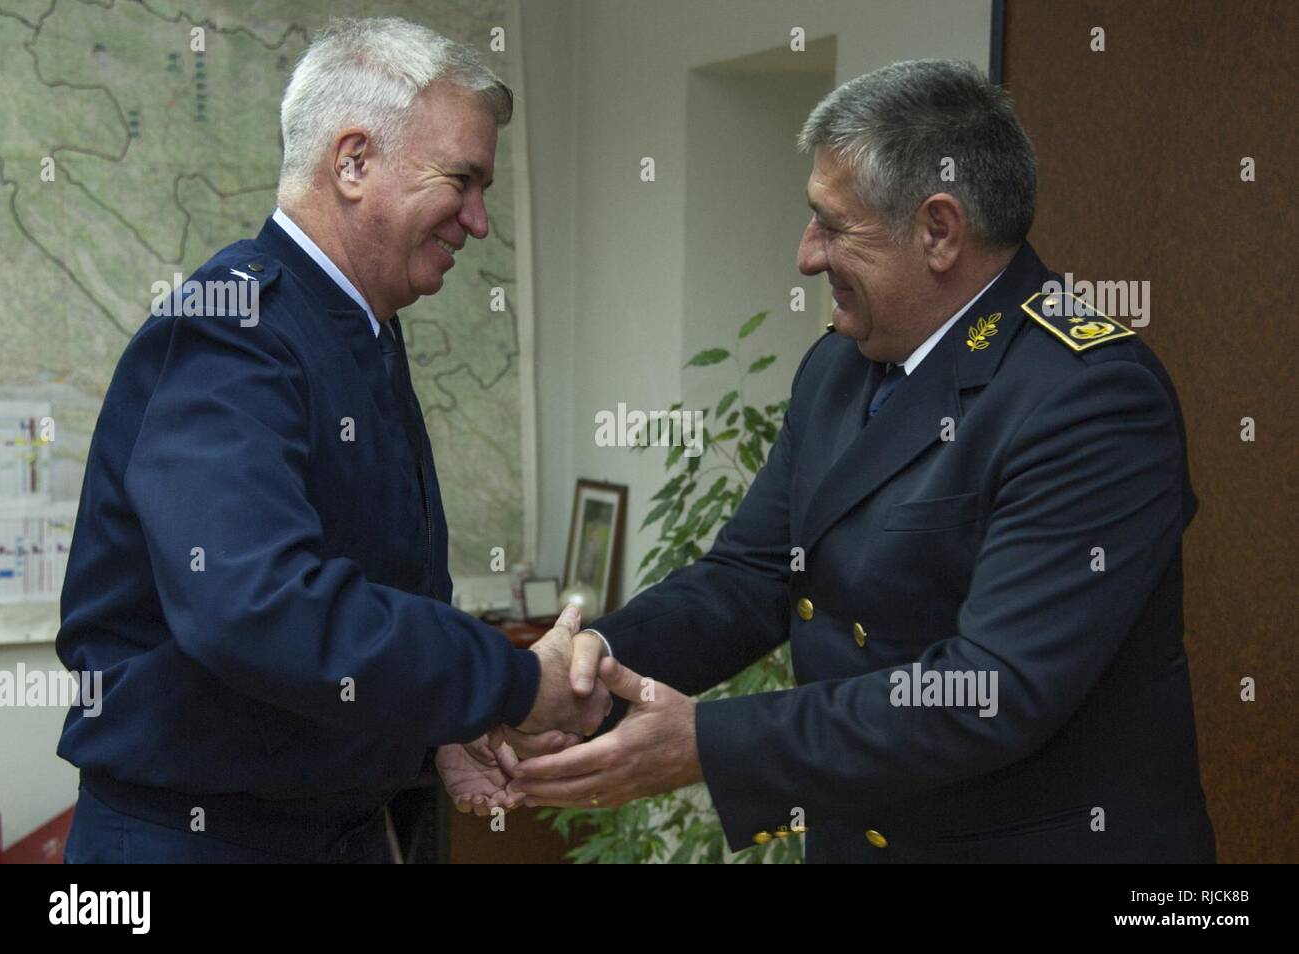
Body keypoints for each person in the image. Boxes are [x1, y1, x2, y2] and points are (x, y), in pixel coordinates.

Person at [505, 60, 1217, 863]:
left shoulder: (1089, 396)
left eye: (832, 225)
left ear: (938, 231)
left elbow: (992, 688)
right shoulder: (840, 367)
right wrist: (579, 672)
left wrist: (711, 743)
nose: (807, 256)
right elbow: (751, 576)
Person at [56, 17, 605, 863]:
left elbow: (361, 583)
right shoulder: (235, 329)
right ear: (352, 162)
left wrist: (436, 729)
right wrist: (515, 681)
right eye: (461, 180)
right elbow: (256, 604)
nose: (478, 221)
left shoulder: (355, 329)